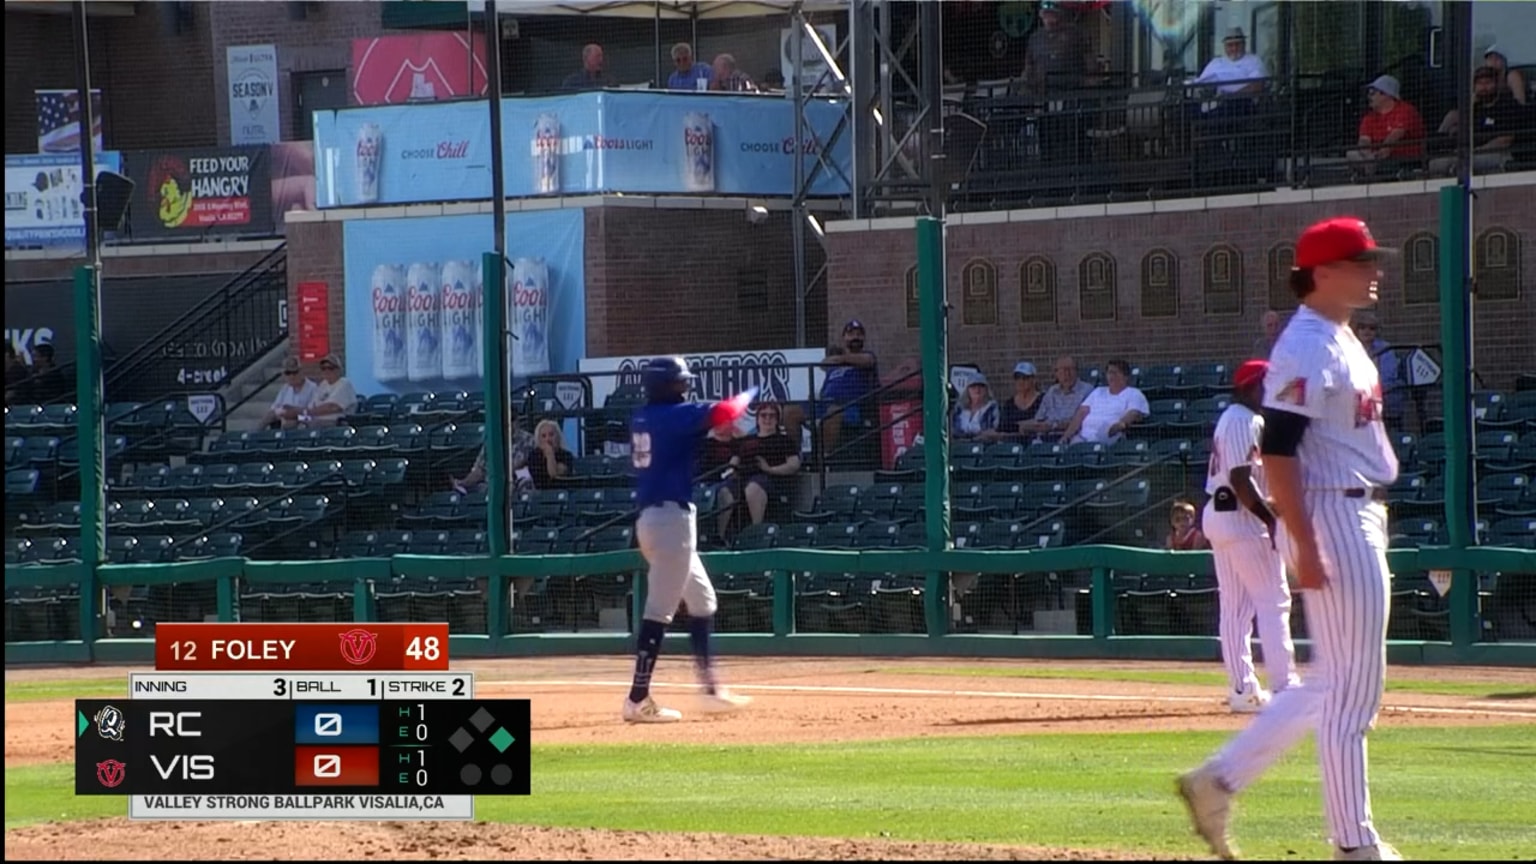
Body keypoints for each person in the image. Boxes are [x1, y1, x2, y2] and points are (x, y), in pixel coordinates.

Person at [1178, 216, 1402, 862]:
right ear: (1324, 274)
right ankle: (1354, 844)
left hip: (1351, 510)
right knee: (1351, 696)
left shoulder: (1340, 336)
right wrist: (1301, 539)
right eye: (1362, 261)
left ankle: (1218, 780)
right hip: (1333, 513)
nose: (1375, 270)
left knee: (1333, 682)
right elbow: (1277, 449)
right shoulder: (1307, 342)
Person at [622, 356, 756, 723]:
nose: (685, 387)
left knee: (703, 600)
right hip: (670, 523)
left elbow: (702, 428)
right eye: (680, 382)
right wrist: (749, 394)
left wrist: (718, 427)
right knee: (659, 612)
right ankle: (637, 698)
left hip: (656, 520)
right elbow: (726, 410)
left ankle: (711, 690)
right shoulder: (672, 415)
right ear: (667, 386)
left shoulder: (645, 415)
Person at [1203, 358, 1301, 715]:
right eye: (1265, 383)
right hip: (1241, 519)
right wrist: (1270, 520)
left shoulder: (1235, 419)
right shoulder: (1243, 419)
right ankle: (1285, 684)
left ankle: (1243, 688)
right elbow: (1242, 481)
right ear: (1249, 386)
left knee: (1236, 607)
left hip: (1222, 514)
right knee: (1273, 600)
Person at [720, 402, 801, 529]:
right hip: (742, 477)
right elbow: (734, 461)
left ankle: (757, 531)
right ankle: (720, 537)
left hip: (771, 479)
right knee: (724, 490)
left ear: (777, 419)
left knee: (754, 487)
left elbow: (794, 464)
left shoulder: (785, 440)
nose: (767, 419)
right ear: (757, 418)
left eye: (772, 416)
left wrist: (770, 469)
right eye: (763, 415)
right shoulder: (746, 440)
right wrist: (732, 471)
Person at [1060, 359, 1149, 444]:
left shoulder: (1133, 393)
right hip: (1083, 437)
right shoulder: (1098, 391)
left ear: (1125, 376)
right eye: (1109, 373)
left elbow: (1133, 413)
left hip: (1110, 435)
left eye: (1115, 373)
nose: (1111, 376)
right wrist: (1066, 436)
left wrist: (1120, 425)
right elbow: (1081, 413)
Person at [452, 405, 536, 494]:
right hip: (490, 486)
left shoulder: (530, 441)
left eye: (512, 419)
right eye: (504, 420)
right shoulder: (491, 442)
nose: (509, 423)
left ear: (517, 421)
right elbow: (479, 471)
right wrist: (462, 483)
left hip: (517, 484)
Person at [1021, 355, 1093, 440]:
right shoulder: (1052, 391)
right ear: (1056, 373)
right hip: (1047, 435)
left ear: (1076, 371)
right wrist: (1026, 426)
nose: (1067, 374)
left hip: (1073, 435)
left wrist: (1053, 426)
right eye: (1063, 370)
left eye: (1070, 369)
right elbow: (1039, 418)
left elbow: (1083, 421)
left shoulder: (1087, 390)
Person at [259, 357, 317, 430]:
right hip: (285, 417)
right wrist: (283, 414)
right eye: (288, 373)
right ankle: (254, 437)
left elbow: (312, 413)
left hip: (305, 419)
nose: (291, 376)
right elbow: (275, 408)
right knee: (269, 416)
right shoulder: (285, 388)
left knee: (291, 422)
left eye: (295, 372)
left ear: (301, 371)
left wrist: (294, 412)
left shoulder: (313, 388)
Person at [299, 354, 358, 427]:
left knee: (303, 425)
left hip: (335, 422)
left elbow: (332, 407)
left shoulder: (344, 384)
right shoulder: (323, 384)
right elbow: (312, 405)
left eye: (330, 368)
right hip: (315, 418)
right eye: (323, 368)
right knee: (293, 420)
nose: (327, 371)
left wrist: (309, 412)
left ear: (338, 369)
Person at [993, 362, 1045, 440]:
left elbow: (1042, 421)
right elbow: (1002, 426)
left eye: (1025, 378)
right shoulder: (1009, 404)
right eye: (1017, 377)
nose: (1021, 381)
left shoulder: (1043, 400)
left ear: (1034, 380)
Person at [952, 375, 1000, 441]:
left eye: (981, 386)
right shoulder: (959, 408)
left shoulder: (992, 407)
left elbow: (993, 430)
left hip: (982, 444)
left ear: (986, 389)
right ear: (967, 390)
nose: (977, 390)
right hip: (959, 443)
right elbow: (953, 429)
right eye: (973, 386)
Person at [529, 419, 573, 489]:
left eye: (551, 435)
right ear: (538, 440)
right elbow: (539, 481)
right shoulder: (533, 456)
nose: (548, 439)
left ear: (558, 437)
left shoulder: (567, 455)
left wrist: (550, 455)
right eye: (543, 436)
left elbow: (554, 475)